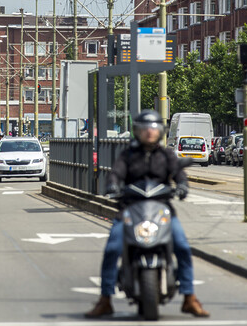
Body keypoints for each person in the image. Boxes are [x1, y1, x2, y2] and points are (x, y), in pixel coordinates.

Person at [85, 109, 210, 319]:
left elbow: (179, 174)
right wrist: (112, 186)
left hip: (162, 209)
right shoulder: (127, 155)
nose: (149, 132)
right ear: (137, 131)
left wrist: (182, 186)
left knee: (182, 246)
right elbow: (115, 174)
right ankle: (105, 299)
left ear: (160, 131)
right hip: (130, 208)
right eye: (145, 128)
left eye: (153, 128)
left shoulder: (167, 155)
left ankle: (190, 298)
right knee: (112, 247)